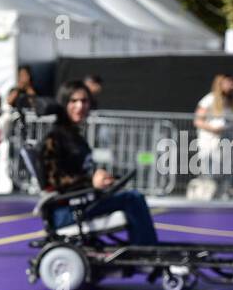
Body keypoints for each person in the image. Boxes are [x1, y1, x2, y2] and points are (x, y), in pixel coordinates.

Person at [41, 80, 157, 245]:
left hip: (82, 203)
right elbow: (54, 180)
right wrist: (90, 181)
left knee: (129, 195)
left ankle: (144, 249)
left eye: (84, 101)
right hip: (66, 211)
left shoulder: (75, 137)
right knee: (133, 199)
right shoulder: (55, 138)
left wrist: (104, 180)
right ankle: (147, 252)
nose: (80, 106)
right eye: (73, 101)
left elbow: (82, 172)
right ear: (63, 104)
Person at [194, 74, 233, 199]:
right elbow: (197, 121)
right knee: (210, 174)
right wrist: (213, 129)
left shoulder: (229, 103)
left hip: (225, 145)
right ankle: (206, 198)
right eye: (229, 83)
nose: (232, 86)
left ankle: (221, 196)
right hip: (209, 144)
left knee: (225, 172)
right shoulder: (209, 99)